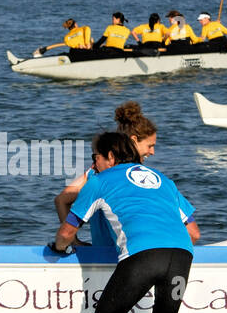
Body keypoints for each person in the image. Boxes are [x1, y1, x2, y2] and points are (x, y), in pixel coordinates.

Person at [50, 132, 200, 313]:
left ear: (110, 157)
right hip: (182, 256)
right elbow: (194, 233)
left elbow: (66, 234)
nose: (94, 165)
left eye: (95, 158)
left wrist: (59, 249)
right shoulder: (164, 180)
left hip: (143, 256)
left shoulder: (98, 181)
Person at [54, 101, 157, 249]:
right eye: (150, 145)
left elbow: (61, 200)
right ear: (134, 141)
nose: (152, 152)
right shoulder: (97, 174)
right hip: (124, 255)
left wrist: (73, 241)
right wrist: (74, 241)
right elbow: (61, 200)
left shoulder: (96, 173)